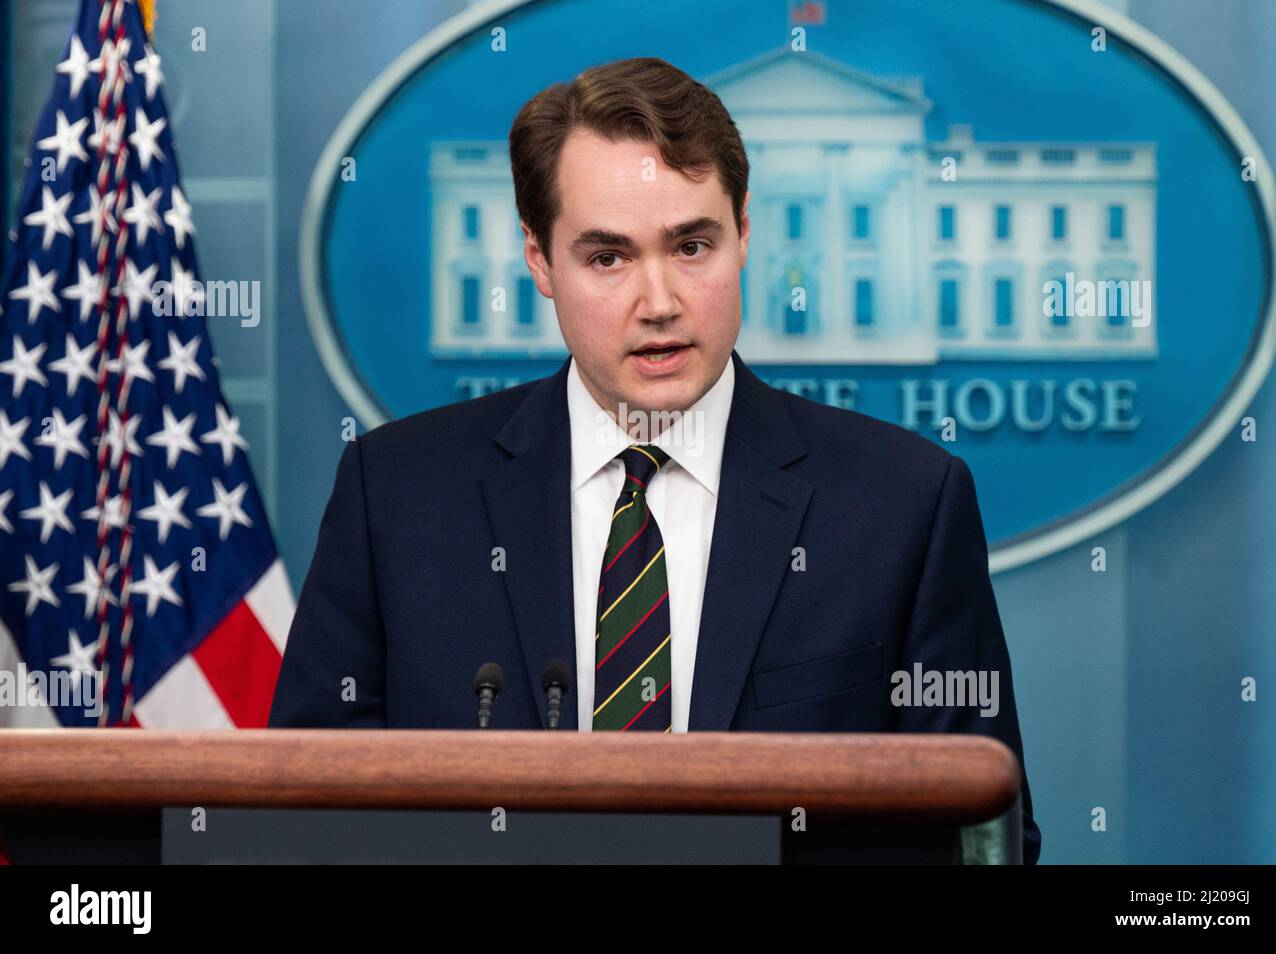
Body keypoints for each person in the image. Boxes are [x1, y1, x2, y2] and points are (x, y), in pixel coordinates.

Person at [269, 56, 1041, 864]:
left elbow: (987, 839)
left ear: (743, 234)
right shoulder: (394, 496)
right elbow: (304, 823)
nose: (660, 301)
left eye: (692, 246)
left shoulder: (905, 505)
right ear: (539, 261)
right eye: (608, 257)